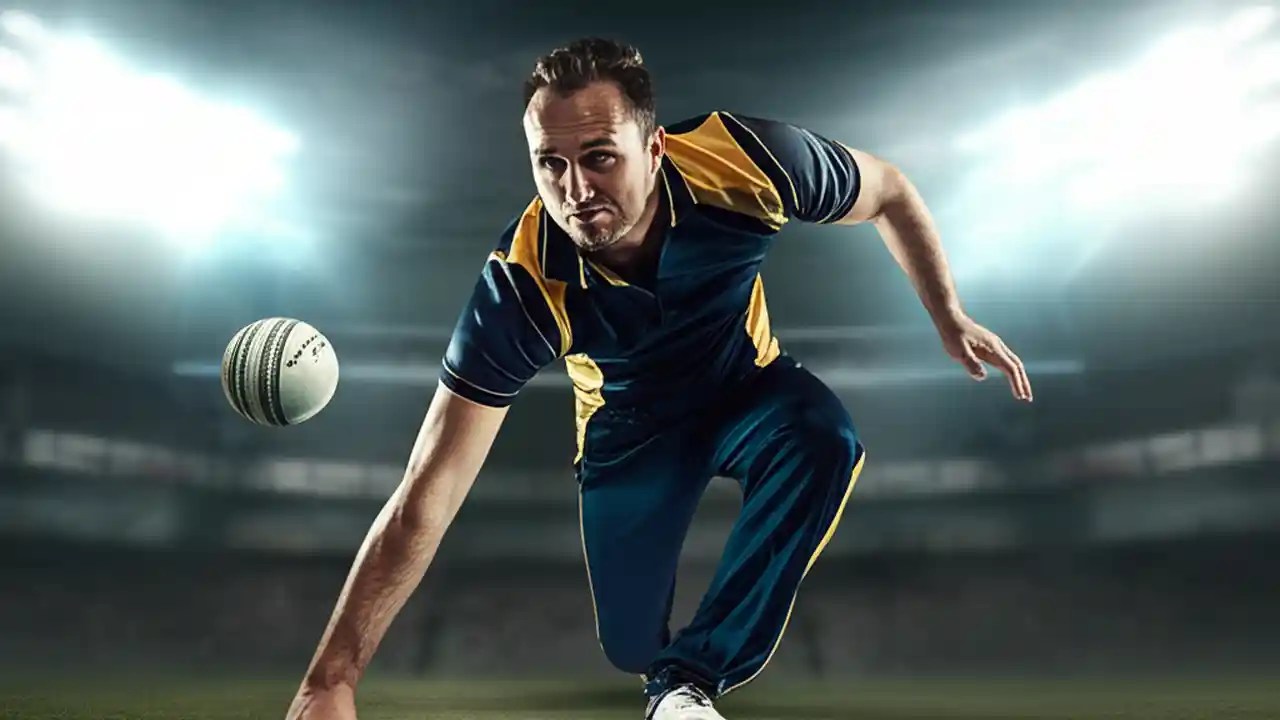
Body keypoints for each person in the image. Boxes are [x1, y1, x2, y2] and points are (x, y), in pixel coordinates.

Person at [285, 37, 1033, 720]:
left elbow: (889, 191)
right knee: (629, 645)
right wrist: (331, 680)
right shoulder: (519, 286)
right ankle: (659, 668)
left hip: (747, 388)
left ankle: (685, 684)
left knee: (823, 440)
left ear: (655, 147)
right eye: (550, 163)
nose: (575, 189)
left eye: (599, 157)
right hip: (629, 433)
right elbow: (429, 491)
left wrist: (948, 315)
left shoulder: (746, 160)